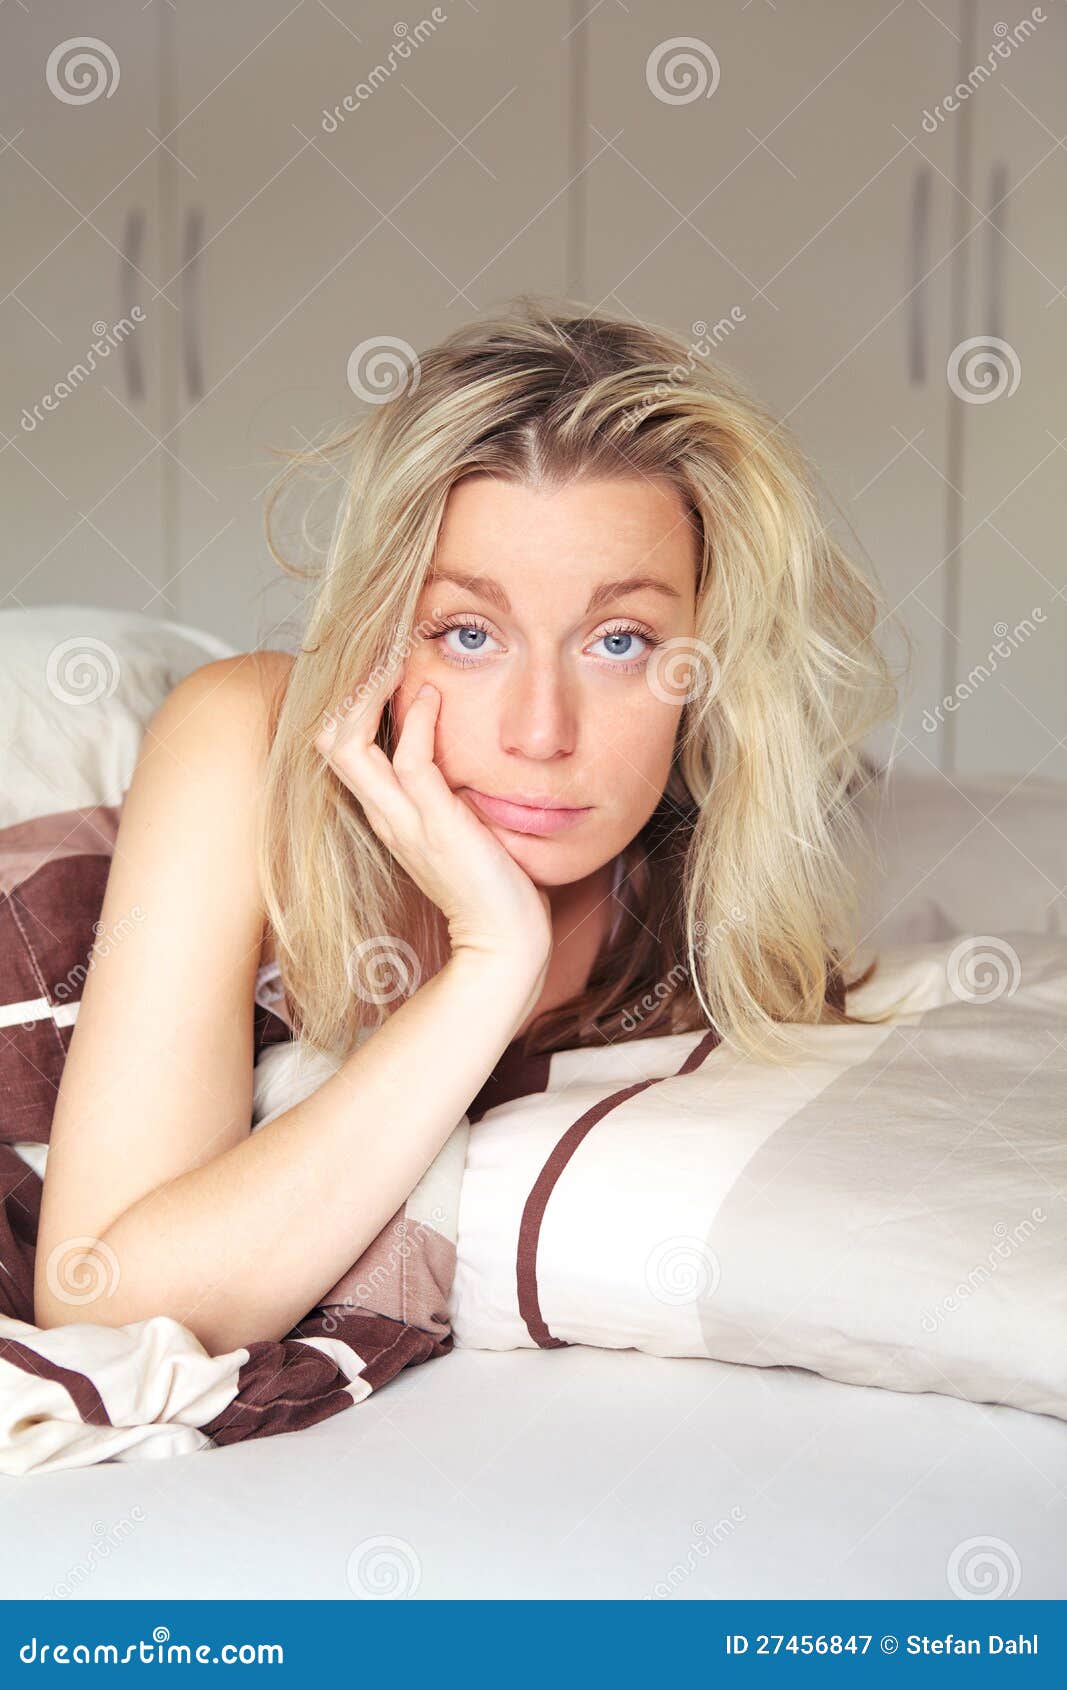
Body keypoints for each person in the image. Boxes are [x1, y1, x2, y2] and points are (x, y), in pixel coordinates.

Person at [33, 297, 903, 1354]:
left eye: (619, 641)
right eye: (469, 632)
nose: (541, 731)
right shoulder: (242, 738)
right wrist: (489, 966)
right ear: (380, 636)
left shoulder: (690, 893)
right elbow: (102, 1308)